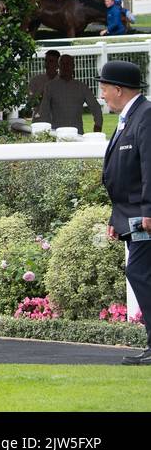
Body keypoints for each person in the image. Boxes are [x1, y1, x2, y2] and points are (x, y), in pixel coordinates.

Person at [95, 60, 151, 365]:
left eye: (104, 88)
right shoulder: (131, 117)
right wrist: (117, 219)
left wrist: (149, 211)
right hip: (131, 214)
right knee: (141, 273)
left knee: (139, 272)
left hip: (145, 215)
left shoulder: (146, 116)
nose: (102, 94)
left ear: (118, 89)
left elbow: (148, 168)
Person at [39, 54, 103, 132]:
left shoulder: (81, 87)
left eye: (68, 64)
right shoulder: (50, 87)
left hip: (77, 134)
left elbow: (96, 108)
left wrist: (98, 126)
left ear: (73, 66)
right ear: (58, 66)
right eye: (63, 64)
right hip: (56, 134)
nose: (65, 67)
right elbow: (43, 112)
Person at [27, 49, 61, 114]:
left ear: (58, 64)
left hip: (59, 119)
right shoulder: (35, 80)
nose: (47, 63)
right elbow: (30, 103)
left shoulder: (63, 81)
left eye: (51, 61)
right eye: (46, 60)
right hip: (40, 118)